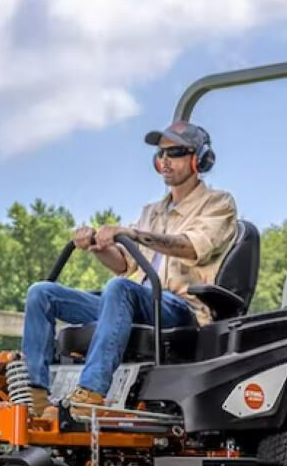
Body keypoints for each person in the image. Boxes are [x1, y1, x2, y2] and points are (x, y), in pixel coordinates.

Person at [22, 121, 238, 418]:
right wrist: (99, 245)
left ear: (199, 159)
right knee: (42, 292)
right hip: (133, 301)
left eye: (175, 152)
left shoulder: (218, 204)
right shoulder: (152, 211)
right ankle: (35, 398)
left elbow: (190, 246)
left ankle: (91, 393)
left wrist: (134, 234)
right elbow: (125, 264)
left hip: (179, 307)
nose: (165, 160)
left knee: (120, 288)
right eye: (161, 154)